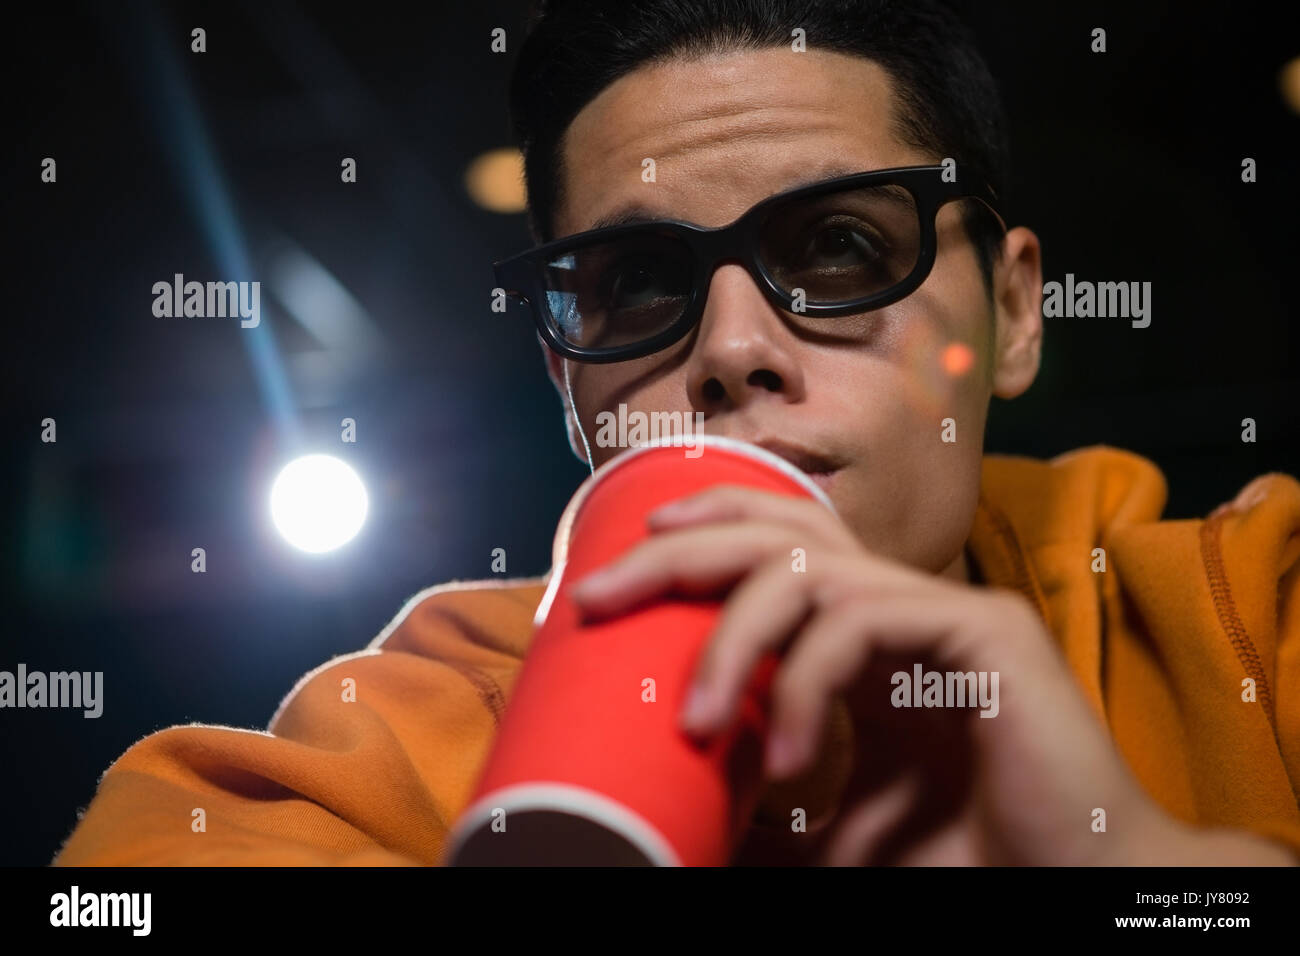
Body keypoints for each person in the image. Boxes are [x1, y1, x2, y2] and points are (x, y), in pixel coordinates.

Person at [53, 0, 1300, 866]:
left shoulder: (1251, 610)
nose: (733, 348)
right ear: (563, 375)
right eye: (640, 282)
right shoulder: (405, 734)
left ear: (1015, 313)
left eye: (841, 247)